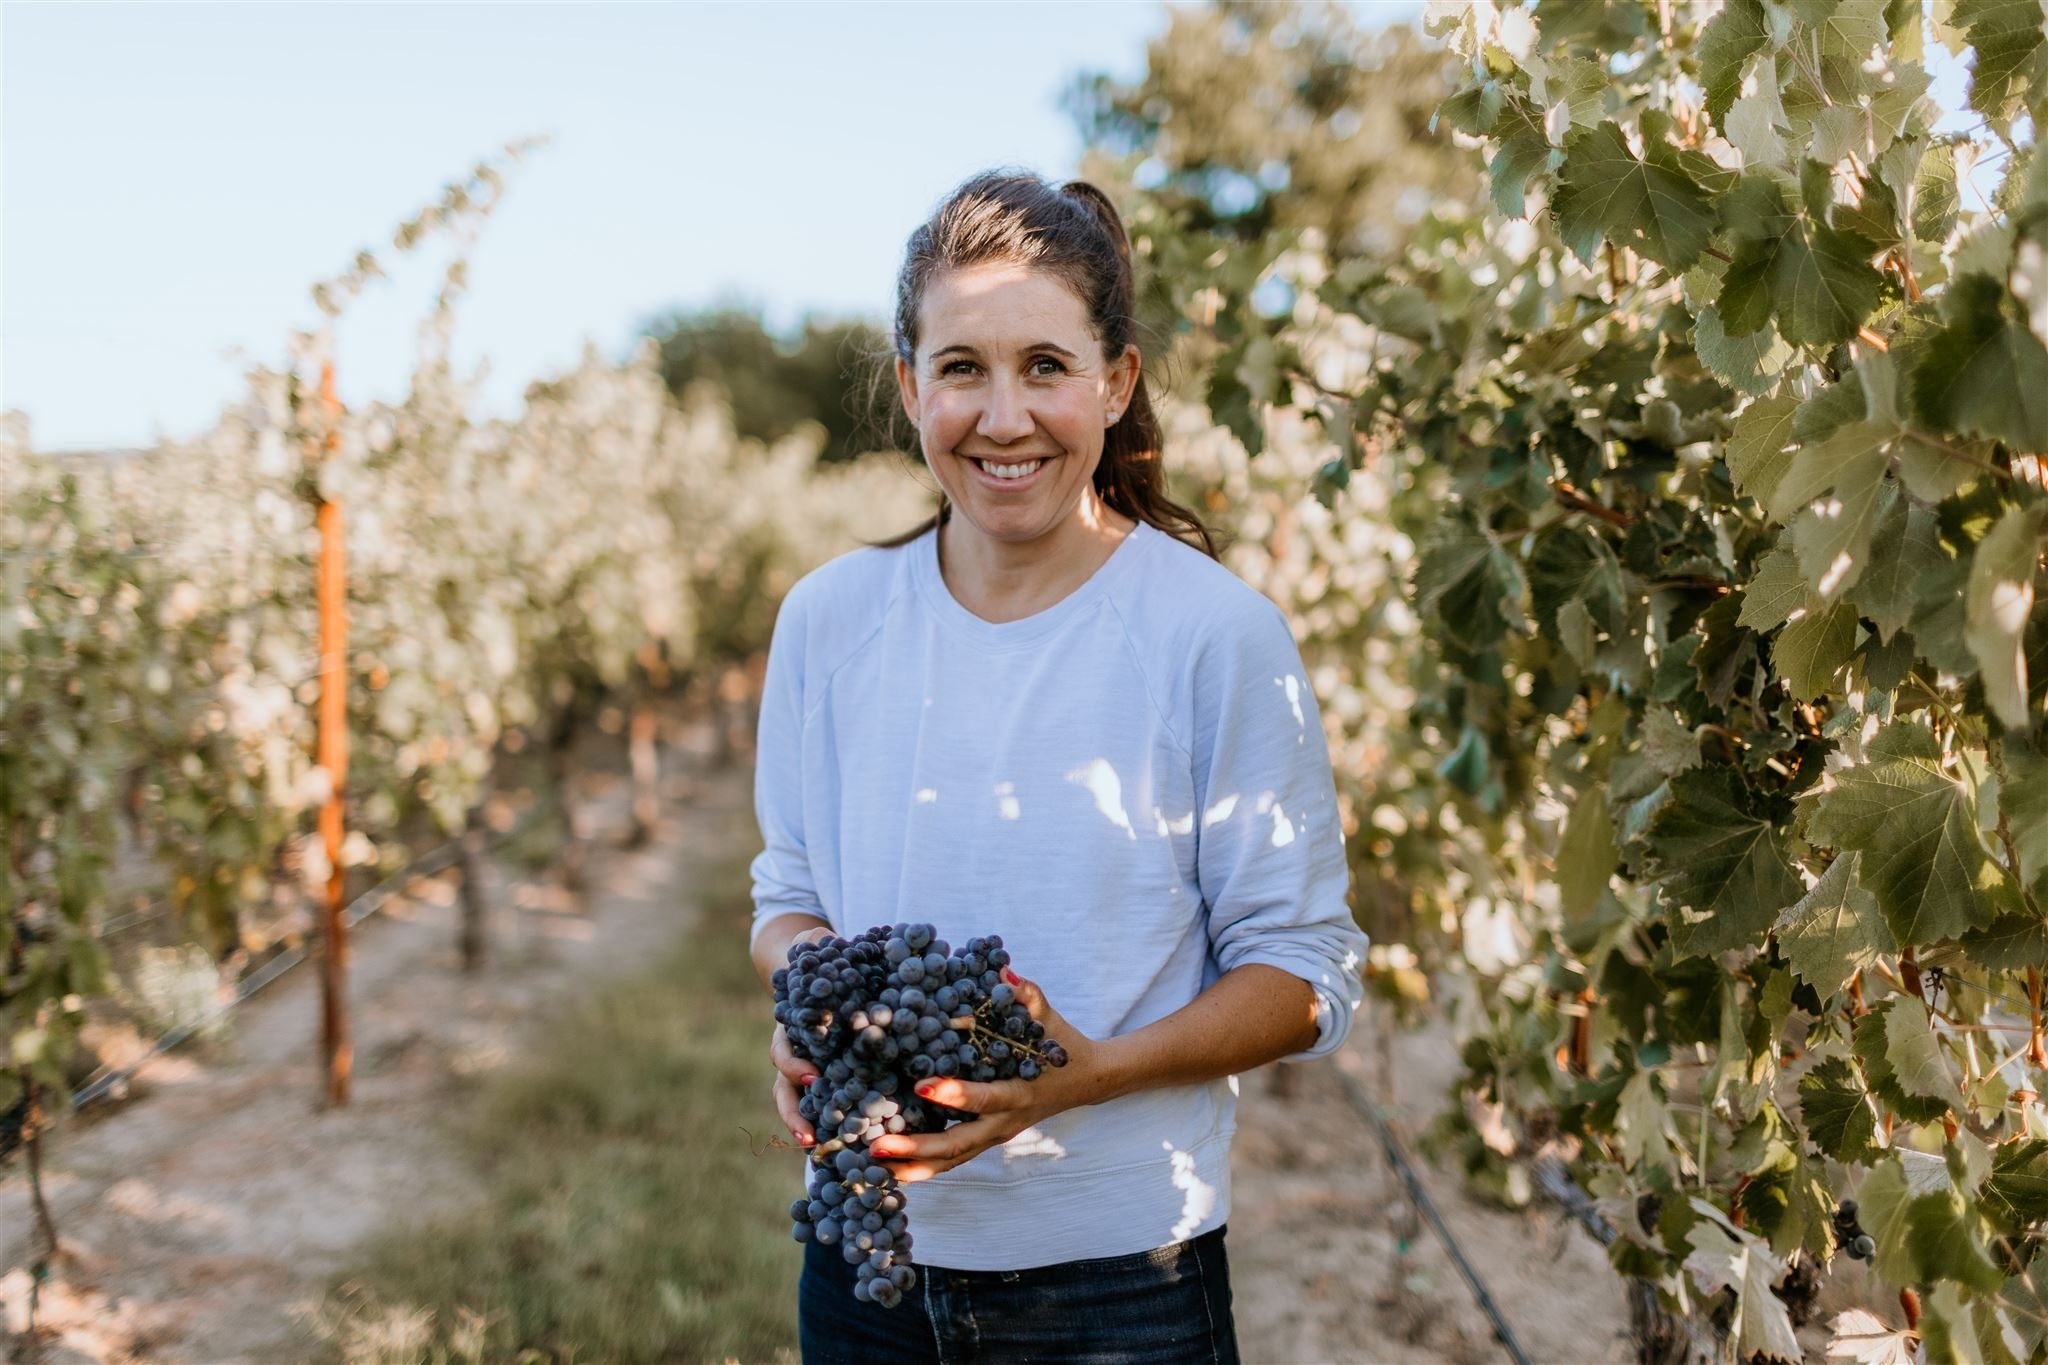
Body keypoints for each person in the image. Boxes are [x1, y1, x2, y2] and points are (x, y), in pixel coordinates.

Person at [748, 168, 1367, 1365]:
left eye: (1044, 365)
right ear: (908, 387)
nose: (1002, 416)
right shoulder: (827, 622)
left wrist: (1088, 1076)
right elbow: (788, 898)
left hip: (1118, 1289)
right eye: (961, 368)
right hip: (865, 1264)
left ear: (1114, 380)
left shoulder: (1210, 634)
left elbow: (1304, 971)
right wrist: (813, 996)